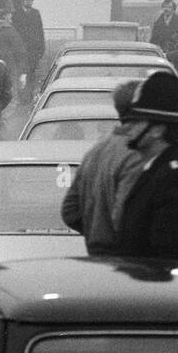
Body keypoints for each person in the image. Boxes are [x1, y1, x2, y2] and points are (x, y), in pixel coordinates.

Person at [115, 72, 178, 260]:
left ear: (158, 130)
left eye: (136, 121)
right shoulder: (157, 169)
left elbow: (165, 256)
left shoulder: (176, 179)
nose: (127, 127)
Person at [61, 80, 146, 255]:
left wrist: (96, 232)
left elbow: (70, 210)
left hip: (98, 254)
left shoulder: (96, 151)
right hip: (132, 262)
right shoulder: (139, 154)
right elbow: (128, 218)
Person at [13, 0, 45, 105]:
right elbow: (14, 32)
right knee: (20, 74)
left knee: (31, 75)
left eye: (30, 0)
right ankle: (21, 99)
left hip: (33, 52)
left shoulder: (36, 13)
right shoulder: (16, 14)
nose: (28, 2)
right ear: (22, 1)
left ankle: (29, 99)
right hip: (20, 51)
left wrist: (41, 48)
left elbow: (40, 31)